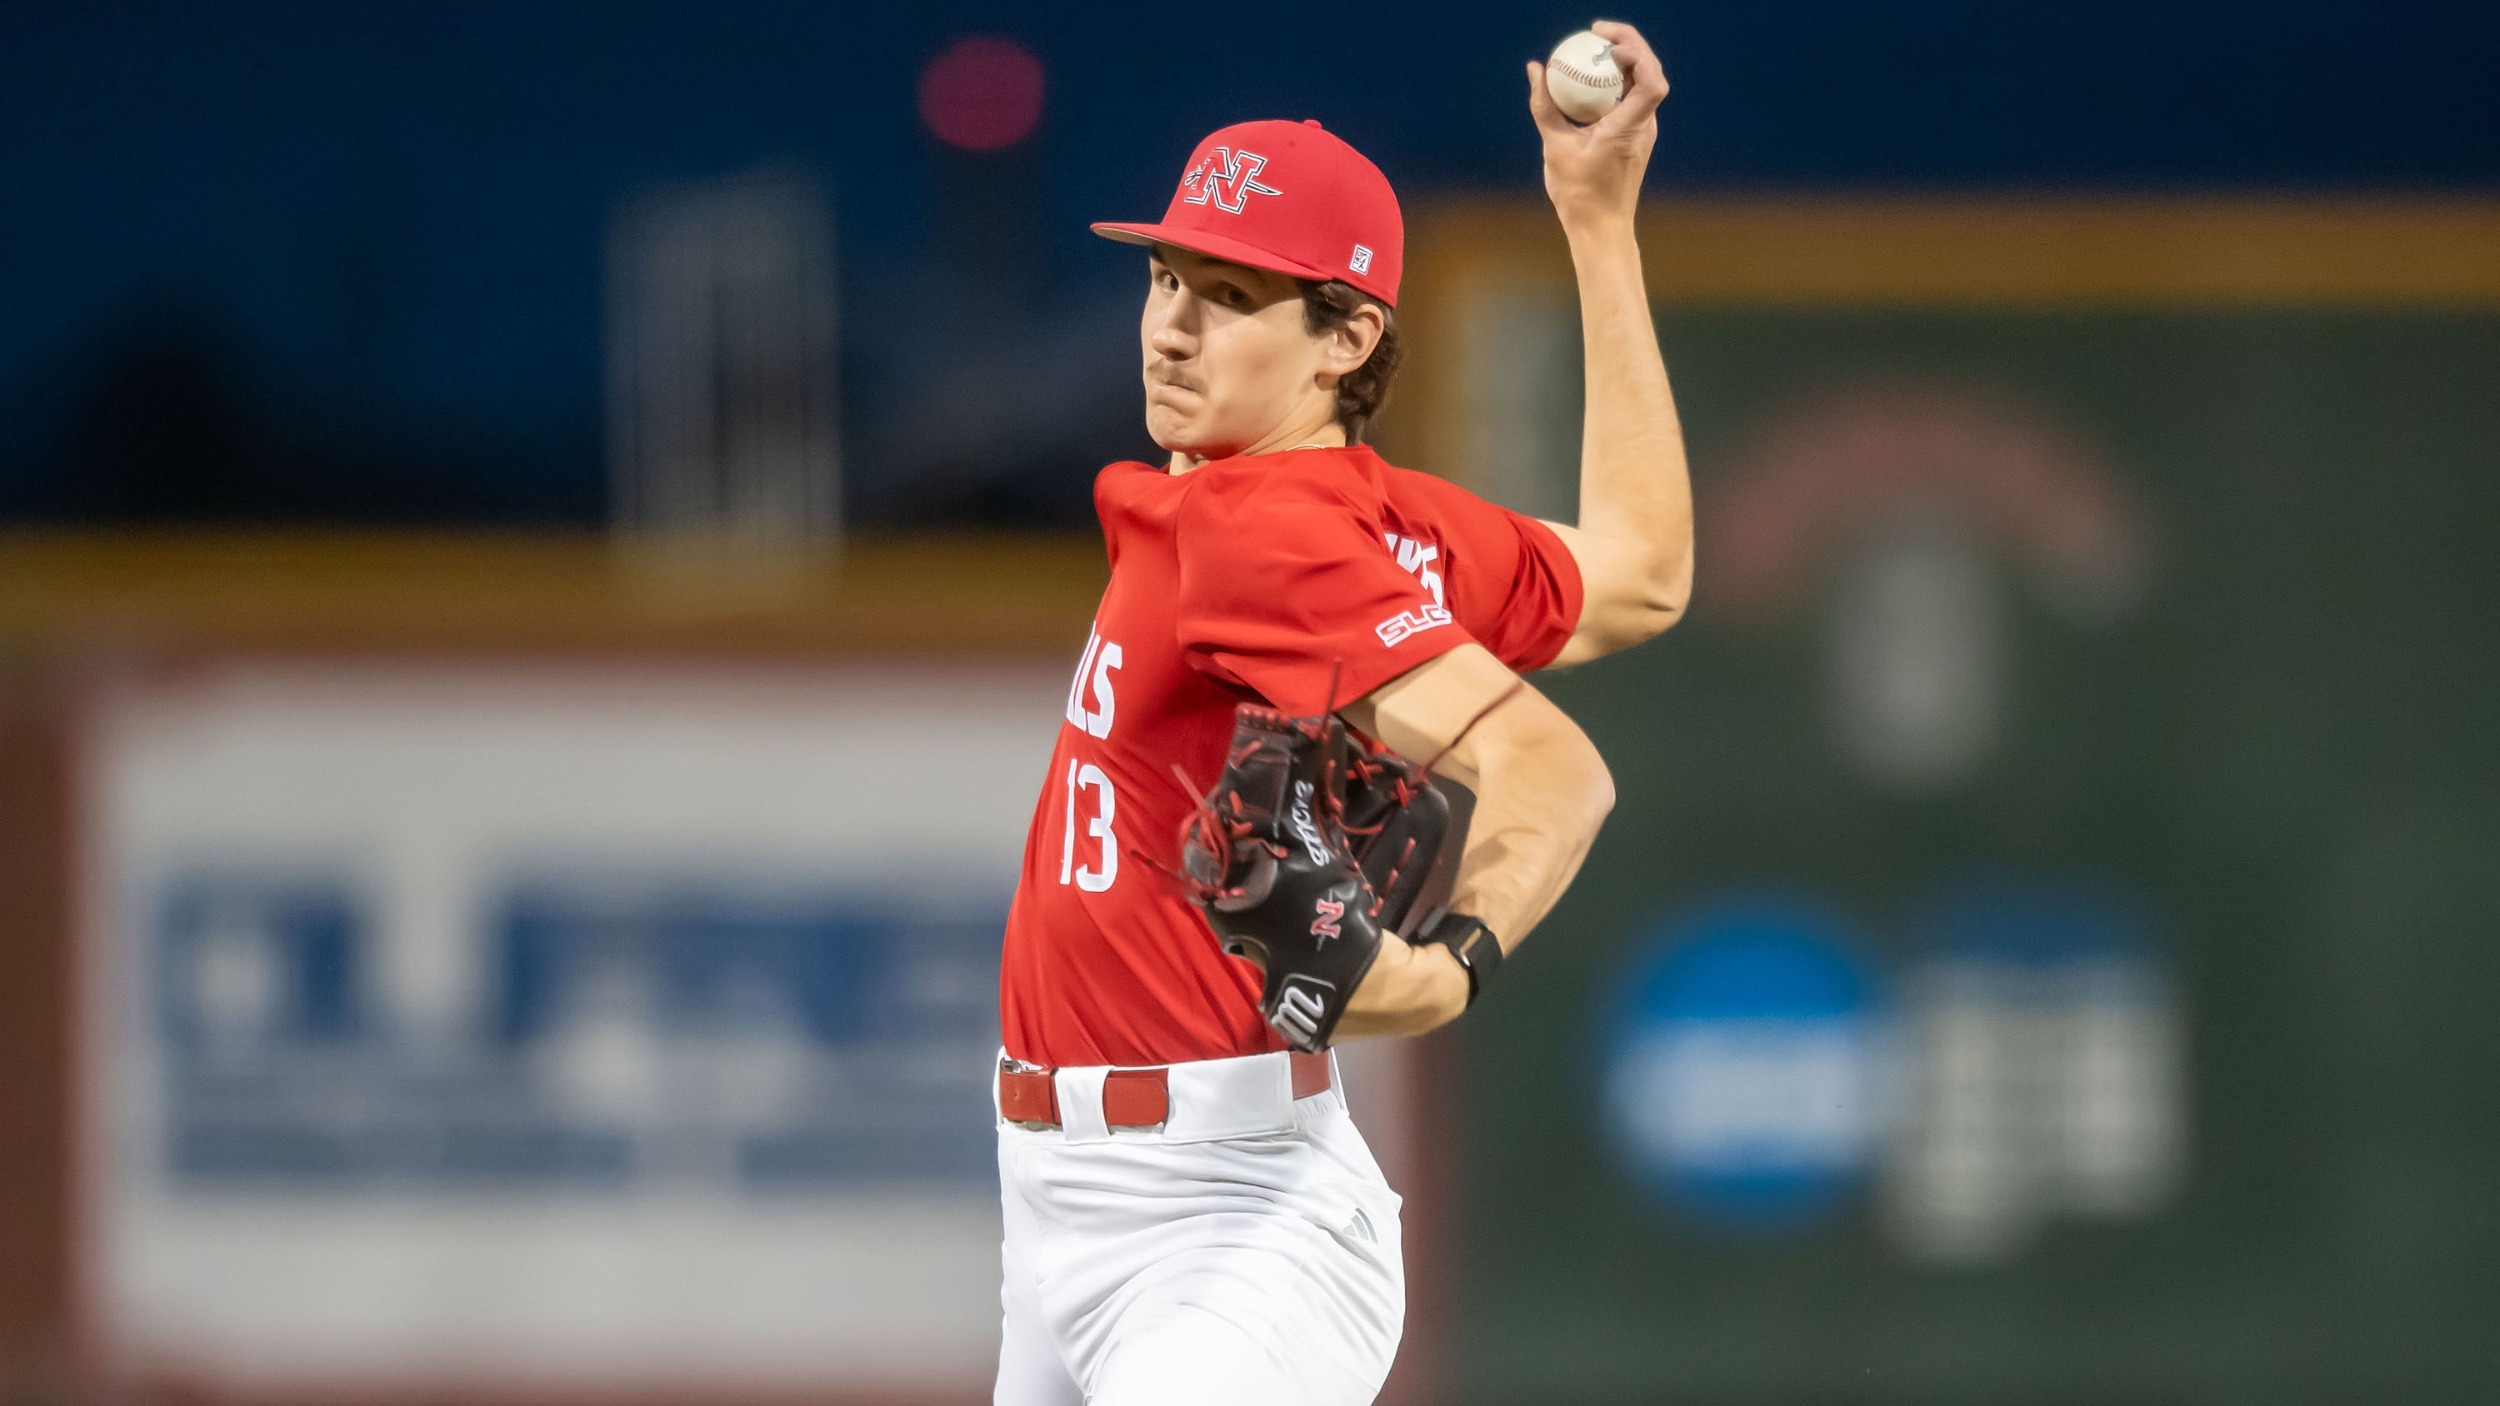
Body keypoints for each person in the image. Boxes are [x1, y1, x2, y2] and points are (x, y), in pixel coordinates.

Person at [991, 22, 1687, 1404]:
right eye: (1166, 273)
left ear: (1347, 337)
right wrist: (1599, 223)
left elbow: (1553, 768)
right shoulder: (1382, 524)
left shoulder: (1269, 534)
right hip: (1068, 1212)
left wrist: (1448, 969)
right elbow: (1643, 572)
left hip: (1223, 1231)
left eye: (1231, 293)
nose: (1173, 323)